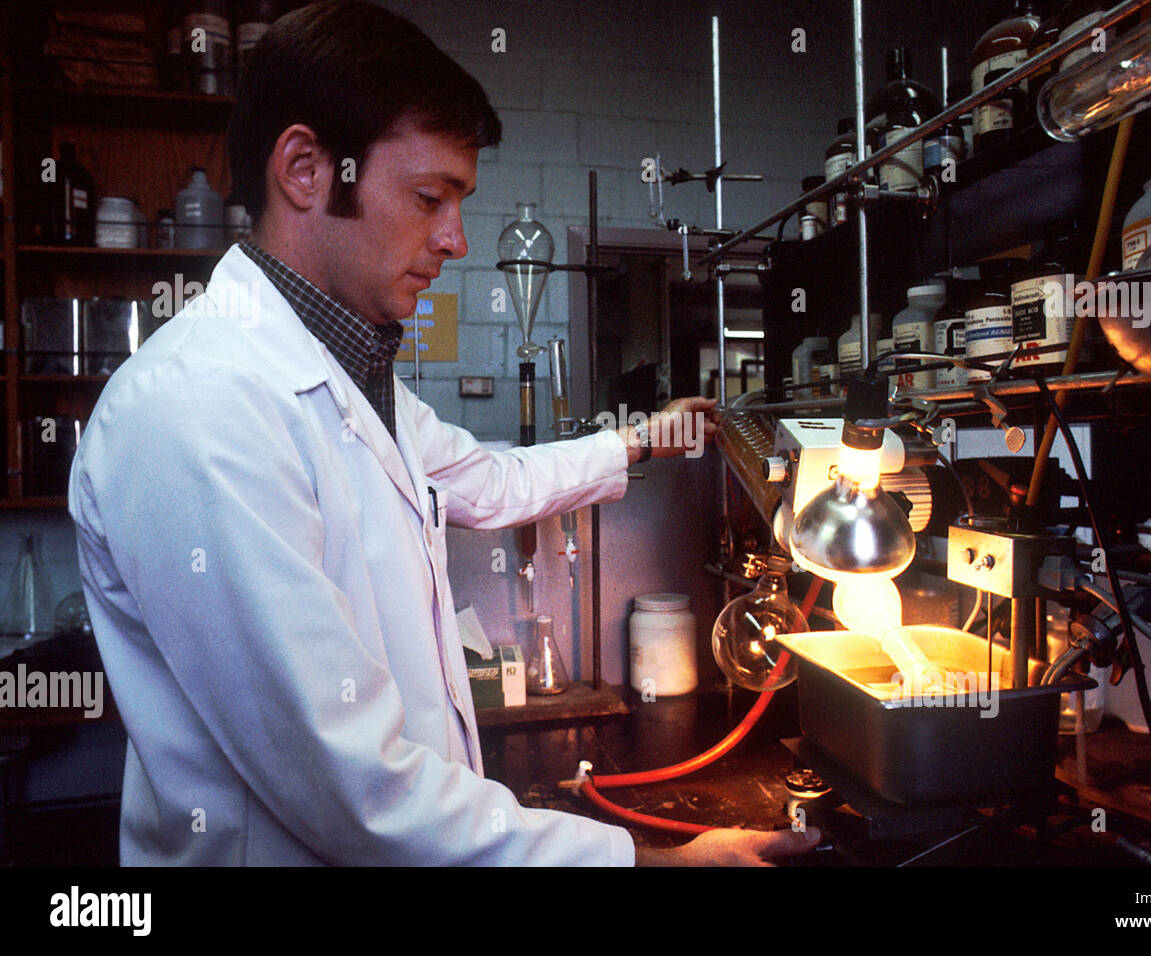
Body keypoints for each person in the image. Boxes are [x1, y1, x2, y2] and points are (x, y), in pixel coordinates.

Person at [68, 0, 818, 866]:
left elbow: (489, 482)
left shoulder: (353, 377)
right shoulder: (198, 407)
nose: (456, 239)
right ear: (307, 169)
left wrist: (640, 439)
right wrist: (650, 864)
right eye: (430, 197)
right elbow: (354, 790)